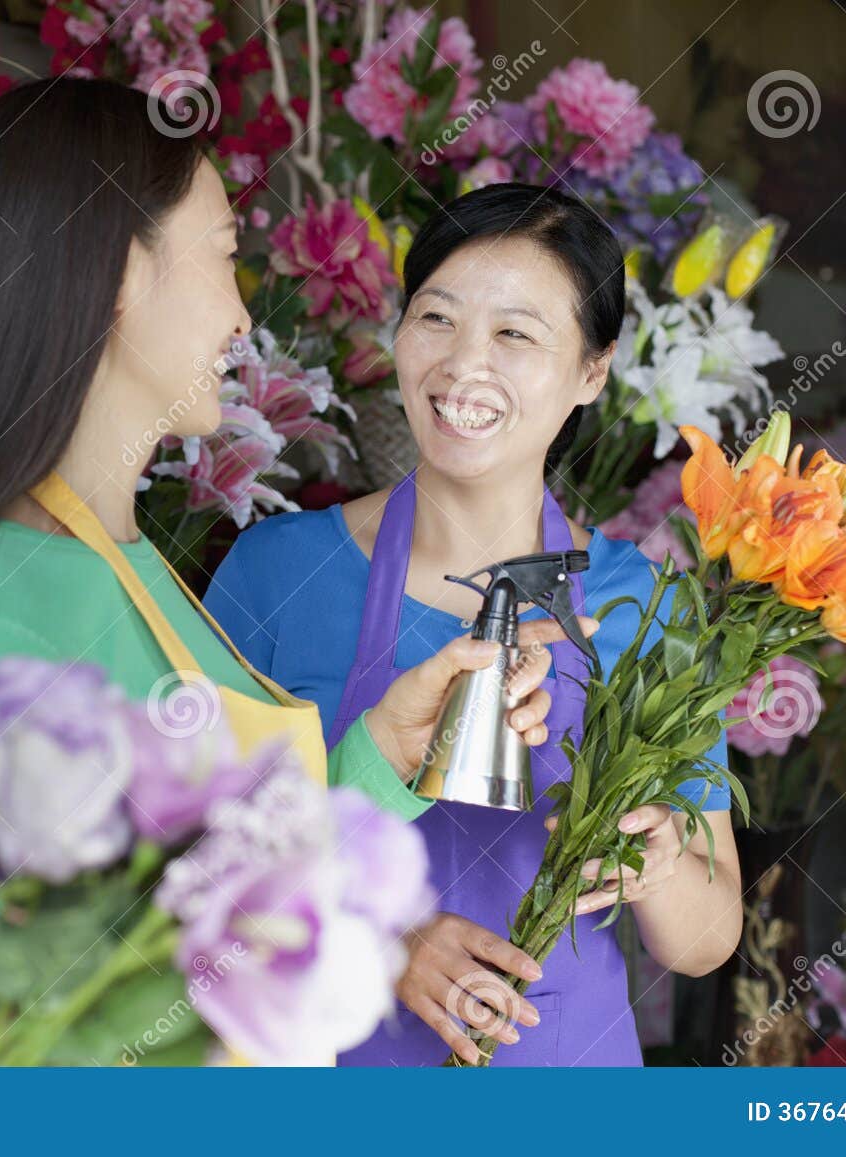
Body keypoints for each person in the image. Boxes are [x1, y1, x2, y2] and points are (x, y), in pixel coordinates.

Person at [0, 80, 591, 937]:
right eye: (223, 255)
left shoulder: (126, 567)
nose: (242, 315)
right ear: (124, 272)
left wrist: (386, 749)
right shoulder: (0, 596)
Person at [204, 183, 743, 1066]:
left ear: (592, 371)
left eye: (515, 334)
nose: (463, 367)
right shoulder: (276, 572)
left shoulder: (643, 607)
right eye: (437, 319)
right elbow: (193, 862)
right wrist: (391, 941)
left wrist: (656, 865)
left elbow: (704, 939)